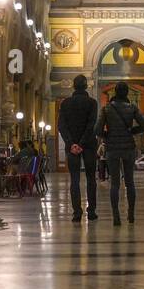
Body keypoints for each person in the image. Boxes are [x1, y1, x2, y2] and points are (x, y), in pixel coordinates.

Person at [96, 82, 144, 226]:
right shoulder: (132, 108)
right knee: (130, 182)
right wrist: (133, 131)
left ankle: (116, 216)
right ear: (126, 93)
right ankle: (131, 214)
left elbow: (97, 129)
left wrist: (107, 135)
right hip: (128, 147)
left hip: (112, 148)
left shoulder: (107, 108)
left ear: (115, 92)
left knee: (114, 183)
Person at [58, 75, 100, 222]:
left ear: (73, 86)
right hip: (88, 145)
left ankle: (76, 212)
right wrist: (81, 143)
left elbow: (61, 126)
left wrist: (71, 144)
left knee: (74, 179)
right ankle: (92, 211)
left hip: (72, 147)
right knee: (91, 179)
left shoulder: (65, 104)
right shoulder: (92, 103)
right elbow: (91, 125)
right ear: (86, 86)